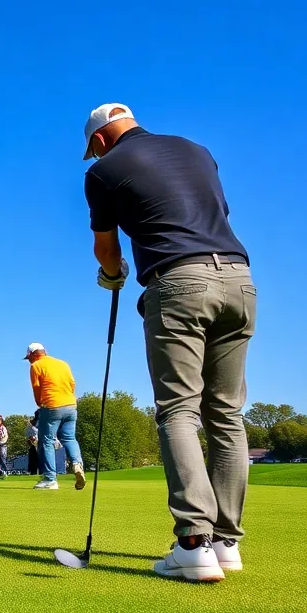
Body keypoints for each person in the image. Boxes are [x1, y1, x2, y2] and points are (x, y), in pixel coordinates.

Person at [83, 102, 255, 583]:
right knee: (226, 413)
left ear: (98, 141)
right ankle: (226, 544)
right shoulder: (196, 150)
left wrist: (112, 277)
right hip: (240, 280)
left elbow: (107, 248)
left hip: (178, 282)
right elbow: (215, 212)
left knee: (178, 409)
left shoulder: (104, 170)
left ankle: (194, 543)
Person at [24, 342, 85, 490]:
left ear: (34, 354)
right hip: (71, 405)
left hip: (52, 406)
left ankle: (50, 479)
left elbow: (37, 389)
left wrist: (40, 403)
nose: (29, 361)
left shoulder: (36, 366)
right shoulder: (63, 364)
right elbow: (72, 383)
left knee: (46, 441)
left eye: (29, 357)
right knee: (69, 438)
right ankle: (77, 464)